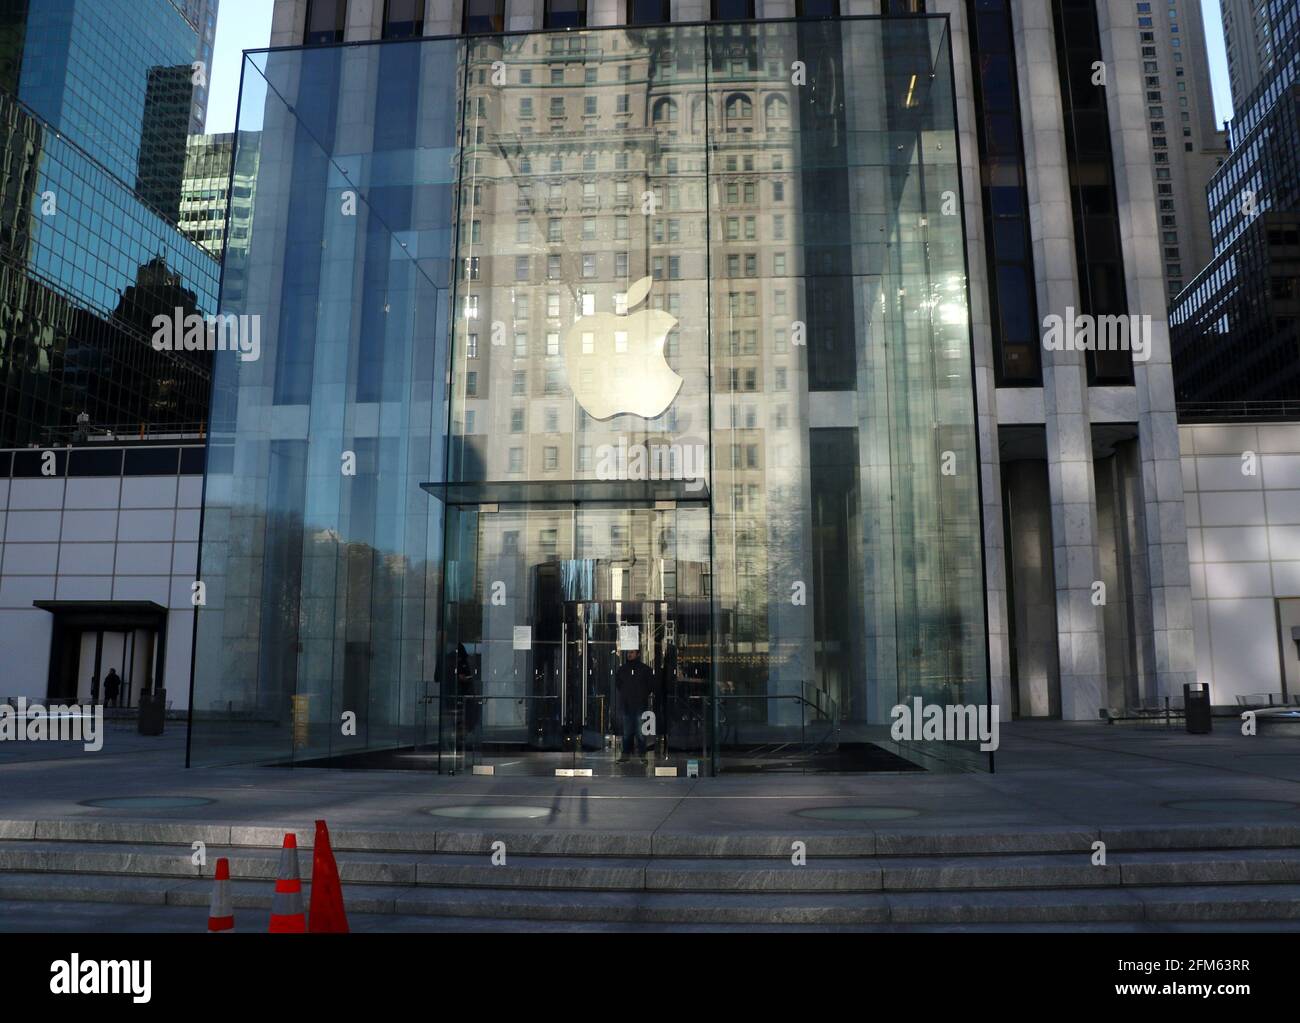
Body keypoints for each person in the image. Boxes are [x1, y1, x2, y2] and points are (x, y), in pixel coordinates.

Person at [615, 647, 654, 763]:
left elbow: (619, 685)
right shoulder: (643, 669)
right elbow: (650, 686)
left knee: (637, 731)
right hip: (633, 703)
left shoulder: (625, 669)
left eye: (631, 652)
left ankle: (631, 755)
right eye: (628, 652)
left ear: (637, 654)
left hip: (635, 703)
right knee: (632, 731)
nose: (629, 654)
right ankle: (636, 755)